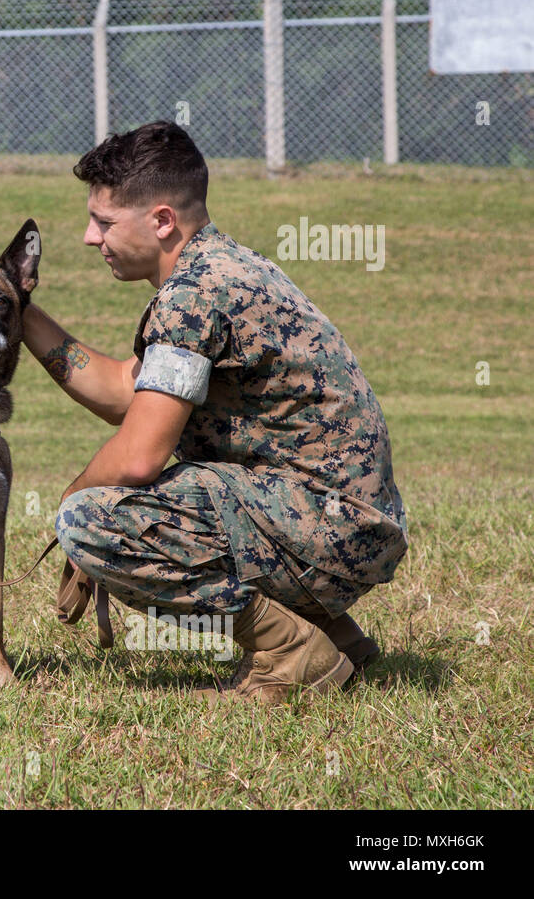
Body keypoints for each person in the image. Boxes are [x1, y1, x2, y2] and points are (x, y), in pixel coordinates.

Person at [23, 121, 407, 704]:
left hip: (329, 530)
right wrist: (19, 310)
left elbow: (137, 456)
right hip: (346, 524)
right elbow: (126, 391)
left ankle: (291, 651)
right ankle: (332, 635)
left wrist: (72, 508)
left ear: (161, 221)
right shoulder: (221, 267)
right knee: (127, 500)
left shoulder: (194, 295)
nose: (88, 237)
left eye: (103, 222)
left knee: (93, 519)